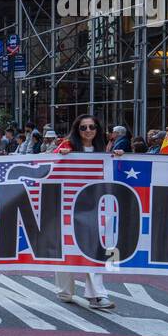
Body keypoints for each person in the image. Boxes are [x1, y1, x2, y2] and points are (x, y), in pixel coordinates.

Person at [54, 115, 122, 310]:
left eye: (92, 126)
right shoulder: (67, 147)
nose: (88, 130)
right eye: (83, 127)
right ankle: (64, 289)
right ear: (77, 130)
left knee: (94, 249)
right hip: (67, 205)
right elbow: (51, 167)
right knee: (66, 248)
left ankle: (97, 295)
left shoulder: (103, 150)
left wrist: (119, 158)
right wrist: (62, 154)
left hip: (94, 207)